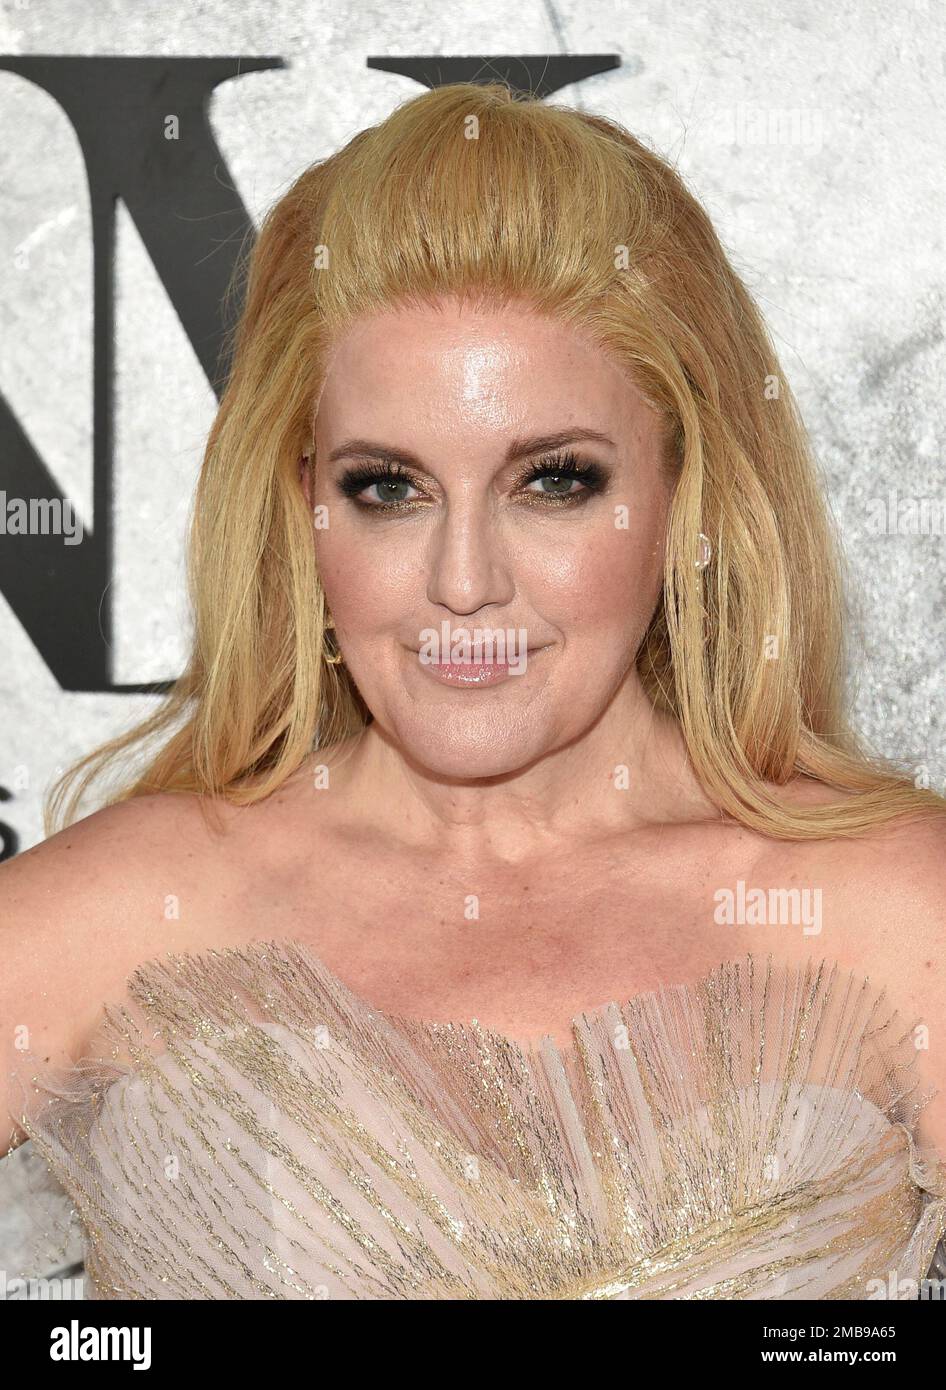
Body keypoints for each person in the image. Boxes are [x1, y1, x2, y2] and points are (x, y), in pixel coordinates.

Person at [2, 81, 945, 1300]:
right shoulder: (123, 916)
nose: (462, 582)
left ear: (685, 493)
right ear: (301, 503)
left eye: (552, 481)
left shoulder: (892, 912)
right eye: (387, 488)